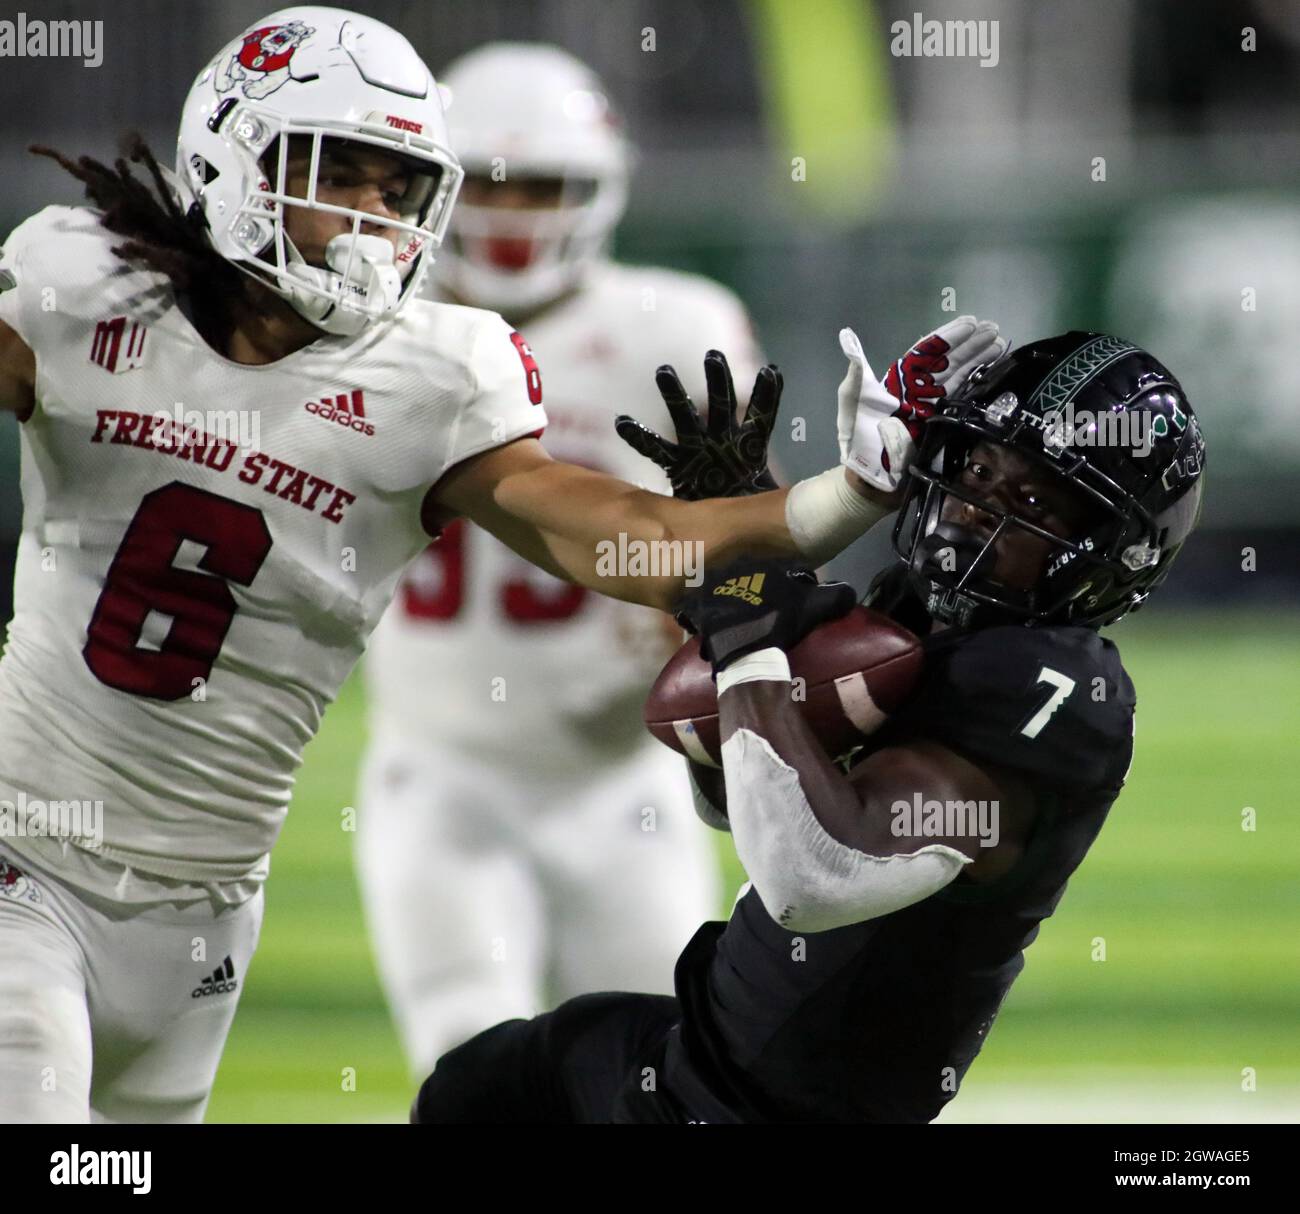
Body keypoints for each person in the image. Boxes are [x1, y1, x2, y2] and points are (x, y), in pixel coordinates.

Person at [0, 5, 1000, 1122]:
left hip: (210, 902)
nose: (372, 219)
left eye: (398, 189)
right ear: (239, 152)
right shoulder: (79, 291)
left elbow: (627, 537)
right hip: (36, 859)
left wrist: (845, 491)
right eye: (345, 175)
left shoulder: (434, 371)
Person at [411, 330, 1207, 1123]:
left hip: (775, 1112)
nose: (973, 507)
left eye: (1030, 501)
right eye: (976, 467)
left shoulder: (1056, 685)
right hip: (713, 1046)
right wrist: (746, 535)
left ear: (1113, 549)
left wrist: (750, 649)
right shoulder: (923, 609)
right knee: (480, 1087)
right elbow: (740, 798)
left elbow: (813, 875)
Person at [354, 43, 771, 1078]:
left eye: (543, 183)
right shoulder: (372, 326)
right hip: (439, 771)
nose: (514, 210)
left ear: (600, 189)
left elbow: (750, 548)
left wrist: (711, 607)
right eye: (490, 181)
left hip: (622, 779)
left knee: (653, 1075)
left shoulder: (677, 324)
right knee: (470, 1064)